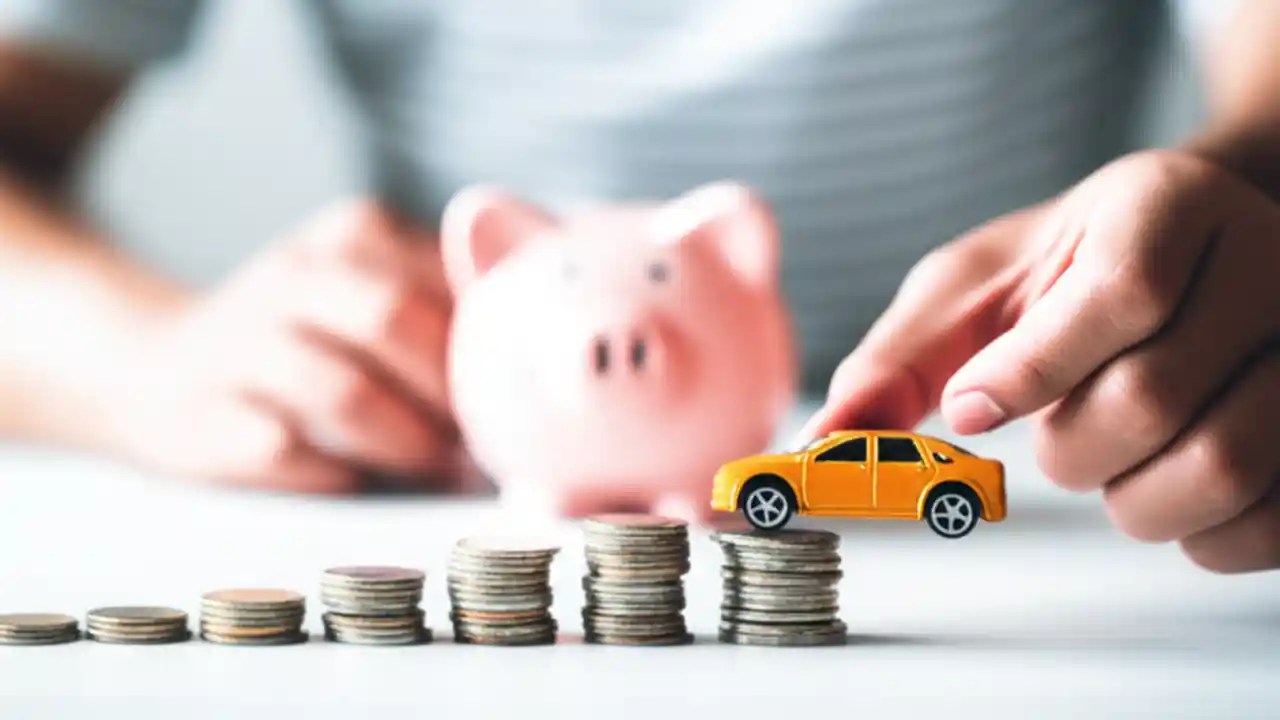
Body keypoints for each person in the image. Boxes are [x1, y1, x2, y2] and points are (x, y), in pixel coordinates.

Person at [0, 1, 1277, 572]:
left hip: (1029, 432)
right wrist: (144, 358)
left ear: (733, 251)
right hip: (438, 451)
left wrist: (1232, 204)